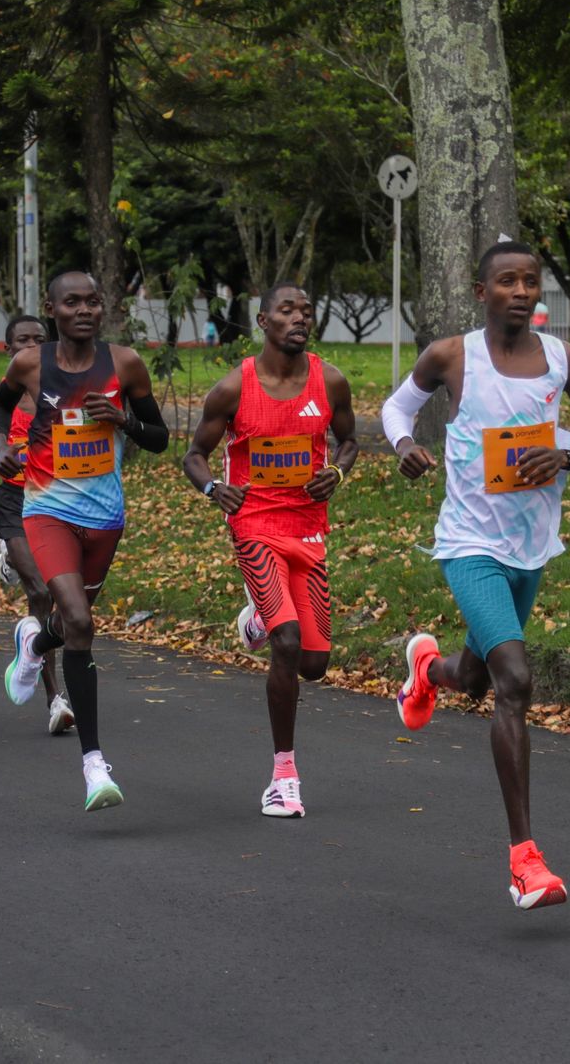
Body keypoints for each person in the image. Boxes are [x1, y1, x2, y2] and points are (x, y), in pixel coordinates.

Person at [380, 239, 570, 909]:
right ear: (481, 290)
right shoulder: (451, 356)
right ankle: (526, 862)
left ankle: (429, 669)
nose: (520, 291)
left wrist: (568, 458)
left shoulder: (561, 360)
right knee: (514, 680)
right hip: (468, 545)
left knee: (476, 675)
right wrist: (404, 444)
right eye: (506, 282)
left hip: (533, 546)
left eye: (530, 281)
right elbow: (396, 409)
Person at [0, 271, 169, 812]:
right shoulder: (30, 364)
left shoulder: (125, 364)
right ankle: (94, 764)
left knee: (69, 623)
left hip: (105, 517)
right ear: (53, 309)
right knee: (83, 623)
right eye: (72, 302)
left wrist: (126, 422)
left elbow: (159, 438)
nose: (84, 309)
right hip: (46, 510)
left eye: (93, 300)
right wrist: (0, 444)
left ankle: (36, 644)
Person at [182, 282, 358, 818]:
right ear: (263, 321)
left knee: (314, 663)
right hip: (254, 525)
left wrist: (336, 471)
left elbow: (349, 442)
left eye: (306, 310)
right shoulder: (234, 387)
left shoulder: (330, 381)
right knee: (287, 641)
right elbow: (194, 454)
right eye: (287, 310)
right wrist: (215, 489)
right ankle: (284, 776)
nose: (299, 318)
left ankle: (255, 622)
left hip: (308, 531)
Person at [0, 314, 75, 736]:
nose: (31, 346)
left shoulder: (67, 394)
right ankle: (55, 697)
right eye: (22, 341)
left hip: (59, 502)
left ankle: (10, 561)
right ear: (8, 350)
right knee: (42, 593)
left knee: (69, 602)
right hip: (14, 503)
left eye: (40, 340)